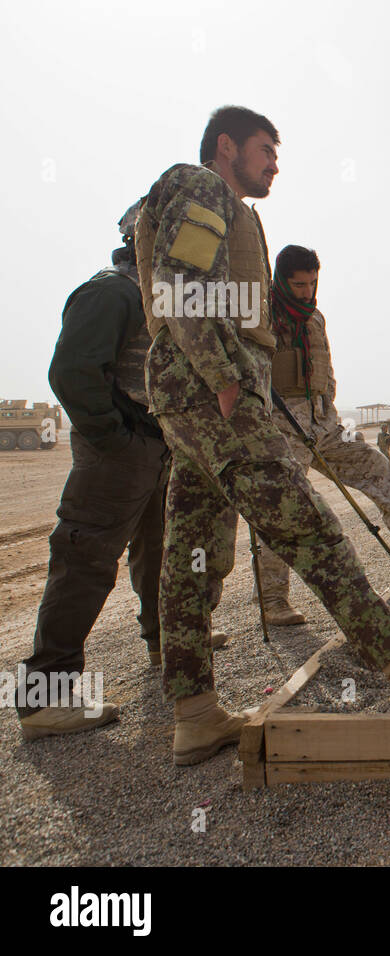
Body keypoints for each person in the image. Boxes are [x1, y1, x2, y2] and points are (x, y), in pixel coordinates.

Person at [134, 105, 390, 765]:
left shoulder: (230, 206)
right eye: (265, 150)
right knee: (311, 530)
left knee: (190, 555)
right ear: (227, 147)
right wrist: (224, 378)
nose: (274, 163)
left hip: (192, 395)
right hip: (210, 394)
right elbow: (181, 286)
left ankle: (195, 715)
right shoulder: (202, 186)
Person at [16, 201, 224, 740]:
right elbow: (73, 372)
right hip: (122, 451)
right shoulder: (112, 291)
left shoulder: (159, 298)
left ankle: (164, 645)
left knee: (159, 553)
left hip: (157, 447)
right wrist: (118, 438)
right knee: (83, 559)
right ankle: (46, 697)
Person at [254, 244, 390, 627]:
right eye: (299, 285)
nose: (307, 292)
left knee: (377, 467)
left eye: (313, 283)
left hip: (324, 424)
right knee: (281, 509)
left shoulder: (315, 319)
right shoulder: (260, 316)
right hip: (281, 427)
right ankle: (272, 600)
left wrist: (328, 409)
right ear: (281, 281)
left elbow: (325, 371)